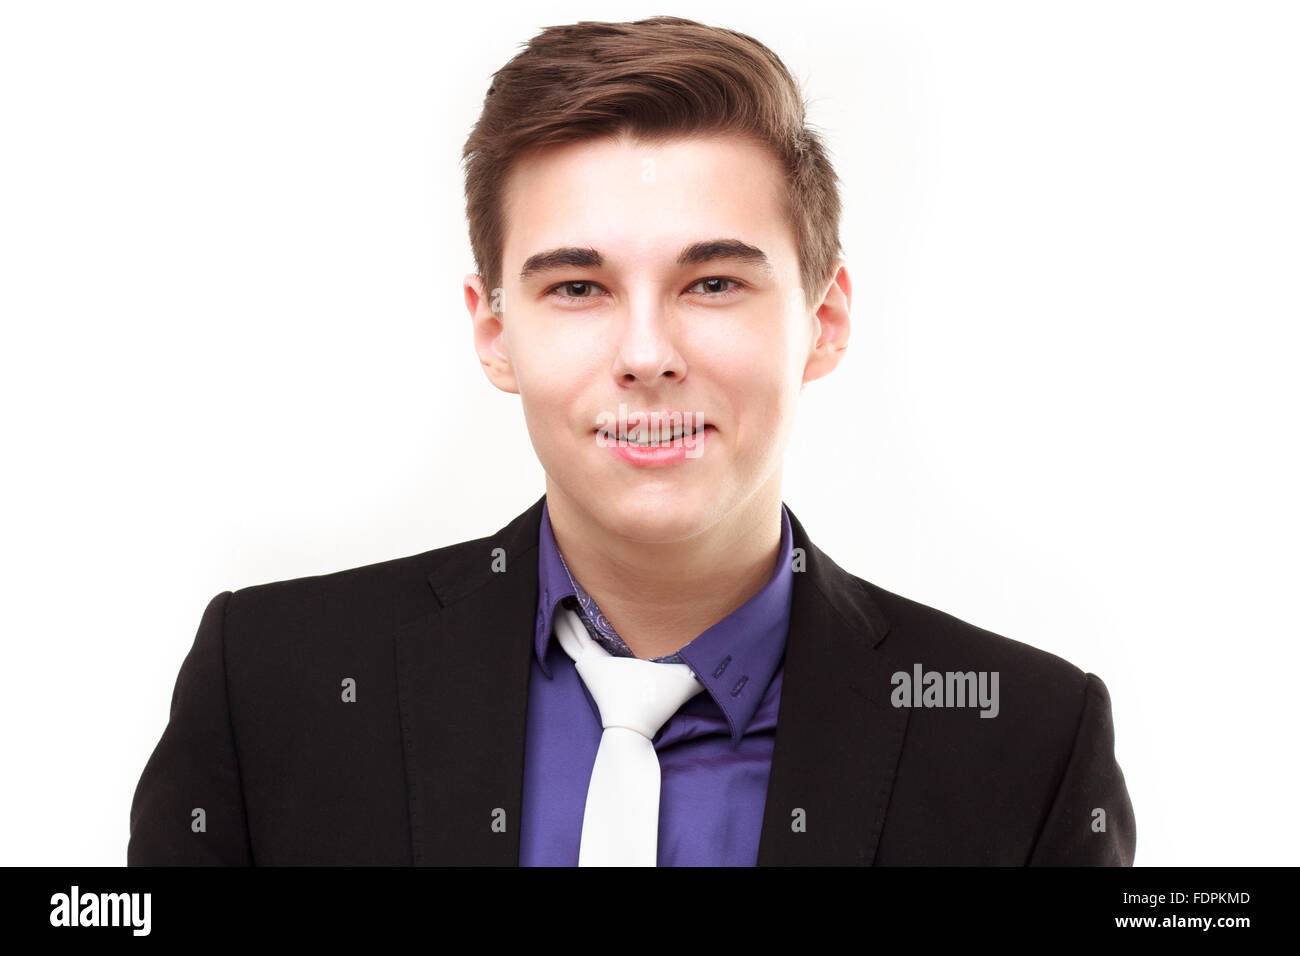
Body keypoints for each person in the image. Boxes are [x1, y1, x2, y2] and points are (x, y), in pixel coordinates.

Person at [128, 15, 1135, 866]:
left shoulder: (1029, 742)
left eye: (712, 281)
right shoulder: (265, 687)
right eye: (577, 286)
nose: (647, 352)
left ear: (823, 321)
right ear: (495, 332)